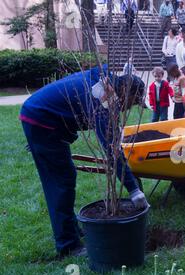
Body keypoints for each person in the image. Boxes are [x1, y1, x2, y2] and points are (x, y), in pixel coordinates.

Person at [20, 66, 148, 258]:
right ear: (124, 91)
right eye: (132, 103)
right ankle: (68, 245)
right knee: (60, 182)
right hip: (41, 122)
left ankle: (69, 229)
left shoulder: (104, 81)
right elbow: (111, 149)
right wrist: (134, 189)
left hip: (42, 118)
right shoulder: (99, 99)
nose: (128, 108)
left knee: (66, 176)